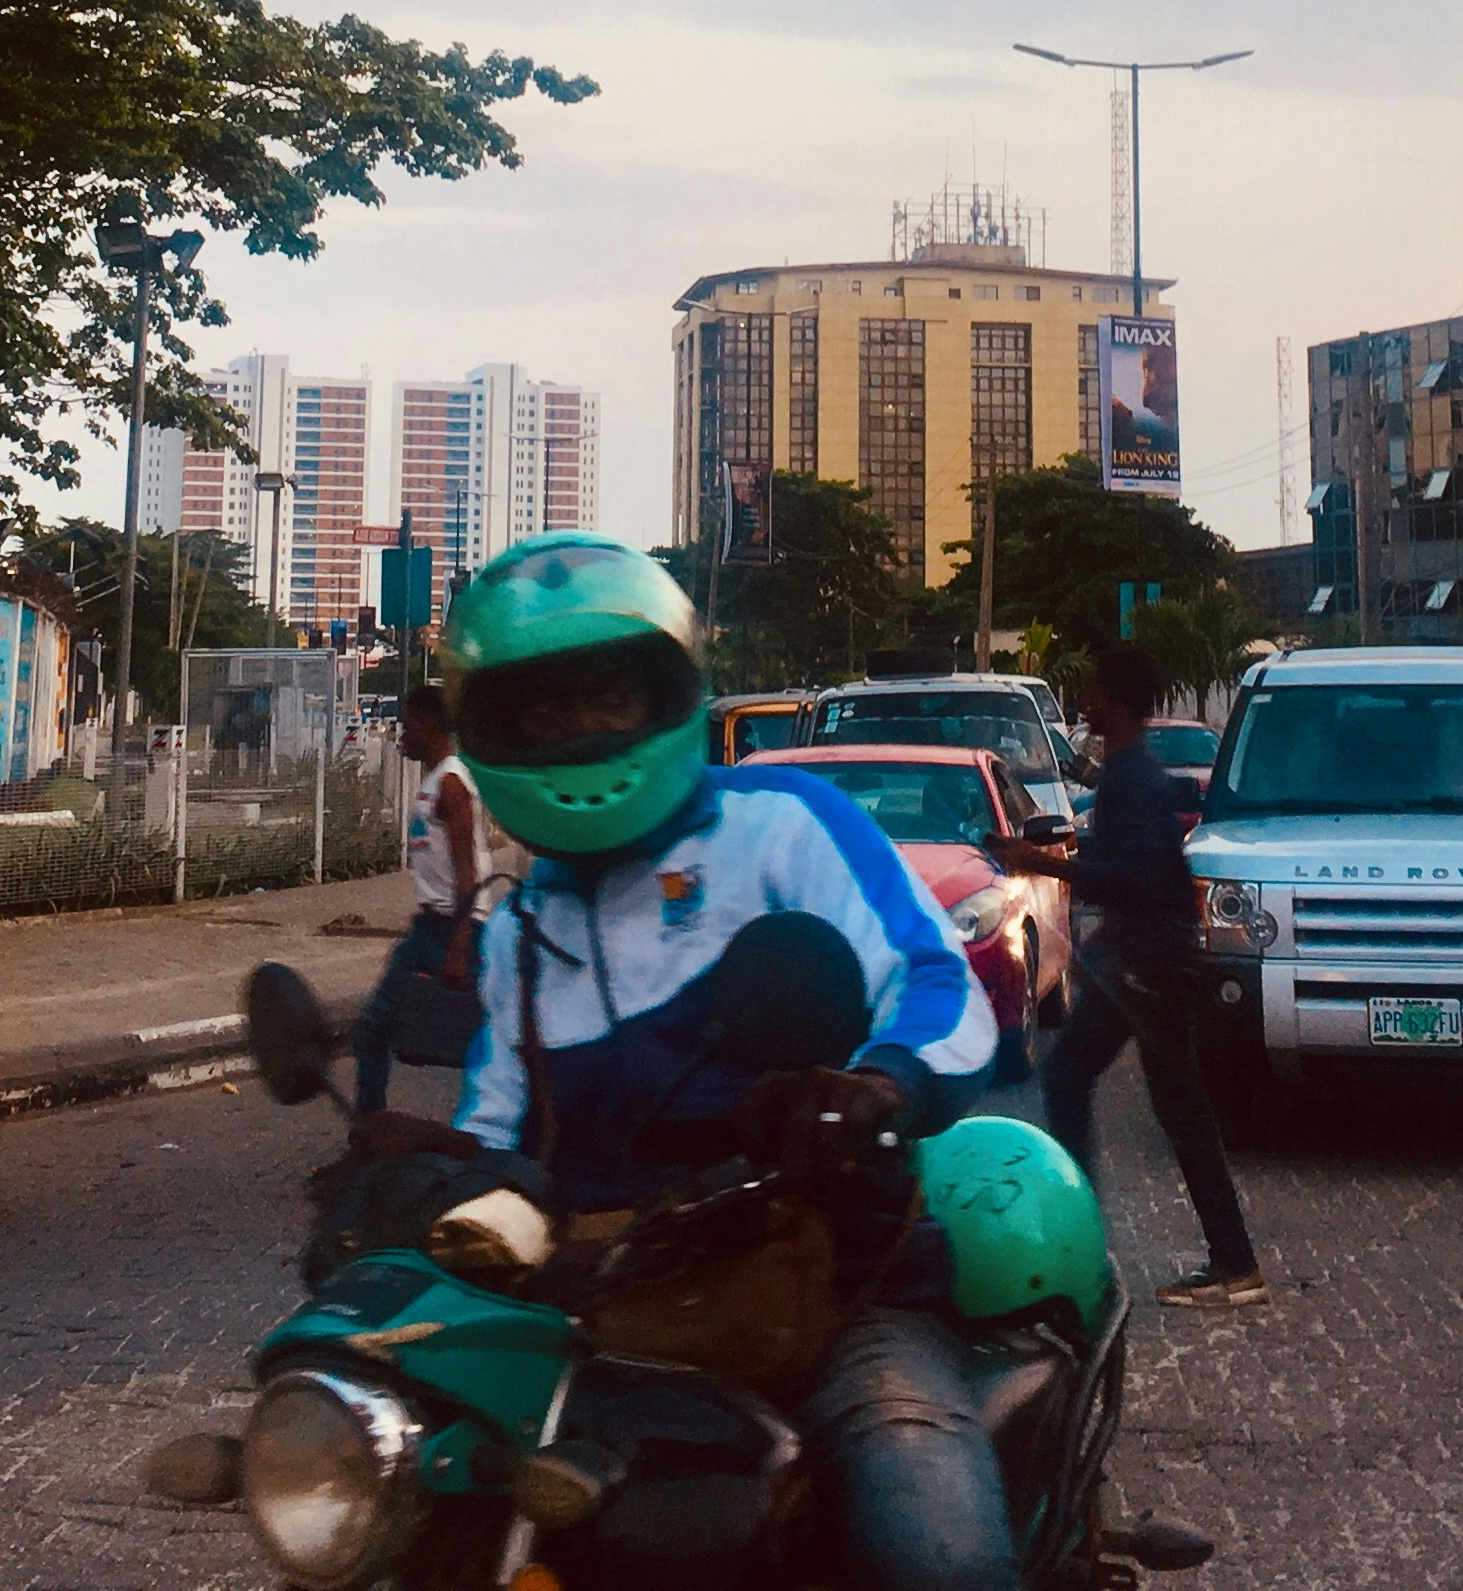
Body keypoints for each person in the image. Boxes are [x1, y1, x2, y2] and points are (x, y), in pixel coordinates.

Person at [438, 534, 1016, 1591]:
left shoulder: (784, 829)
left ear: (663, 695)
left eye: (604, 699)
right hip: (608, 1320)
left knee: (940, 1549)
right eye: (539, 712)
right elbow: (493, 1130)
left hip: (836, 1289)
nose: (575, 731)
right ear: (492, 733)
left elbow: (942, 993)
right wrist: (423, 1186)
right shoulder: (524, 928)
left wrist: (873, 1088)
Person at [1005, 646, 1263, 1309]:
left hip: (1148, 971)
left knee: (1122, 1094)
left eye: (1091, 693)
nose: (1083, 705)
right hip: (1144, 965)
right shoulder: (1128, 774)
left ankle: (1085, 1250)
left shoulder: (1130, 779)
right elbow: (1134, 870)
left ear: (1115, 702)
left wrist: (1043, 862)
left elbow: (1134, 877)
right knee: (1153, 1104)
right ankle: (1228, 1263)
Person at [352, 687, 483, 1114]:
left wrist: (460, 946)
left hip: (455, 928)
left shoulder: (450, 783)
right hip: (430, 927)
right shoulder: (434, 779)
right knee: (375, 1029)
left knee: (480, 1039)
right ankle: (370, 1134)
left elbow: (469, 872)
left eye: (407, 727)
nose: (401, 736)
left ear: (428, 726)